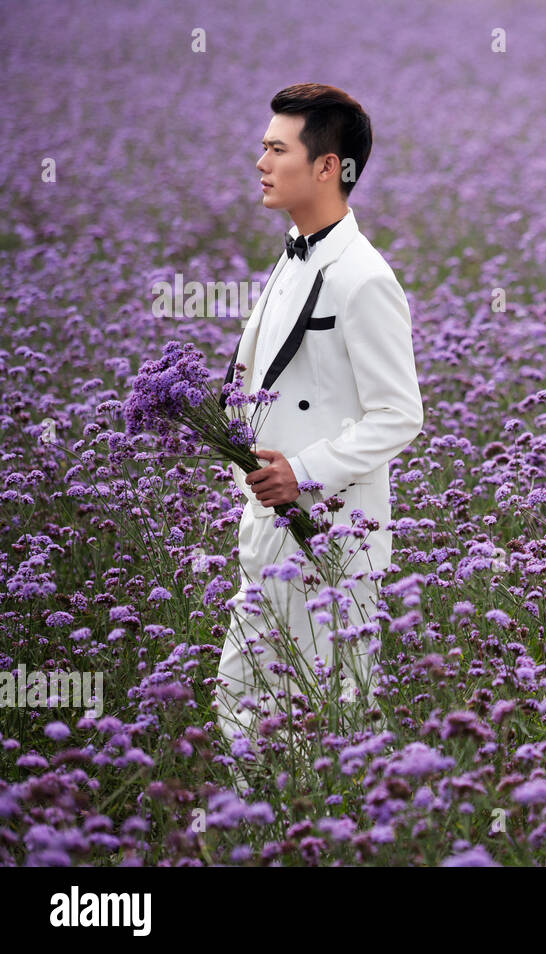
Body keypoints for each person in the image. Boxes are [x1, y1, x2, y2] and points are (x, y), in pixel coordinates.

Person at [213, 83, 424, 778]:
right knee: (240, 707)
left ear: (327, 167)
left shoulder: (363, 277)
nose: (261, 162)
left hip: (331, 541)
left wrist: (302, 474)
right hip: (268, 532)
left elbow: (399, 414)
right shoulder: (291, 257)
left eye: (277, 149)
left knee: (319, 723)